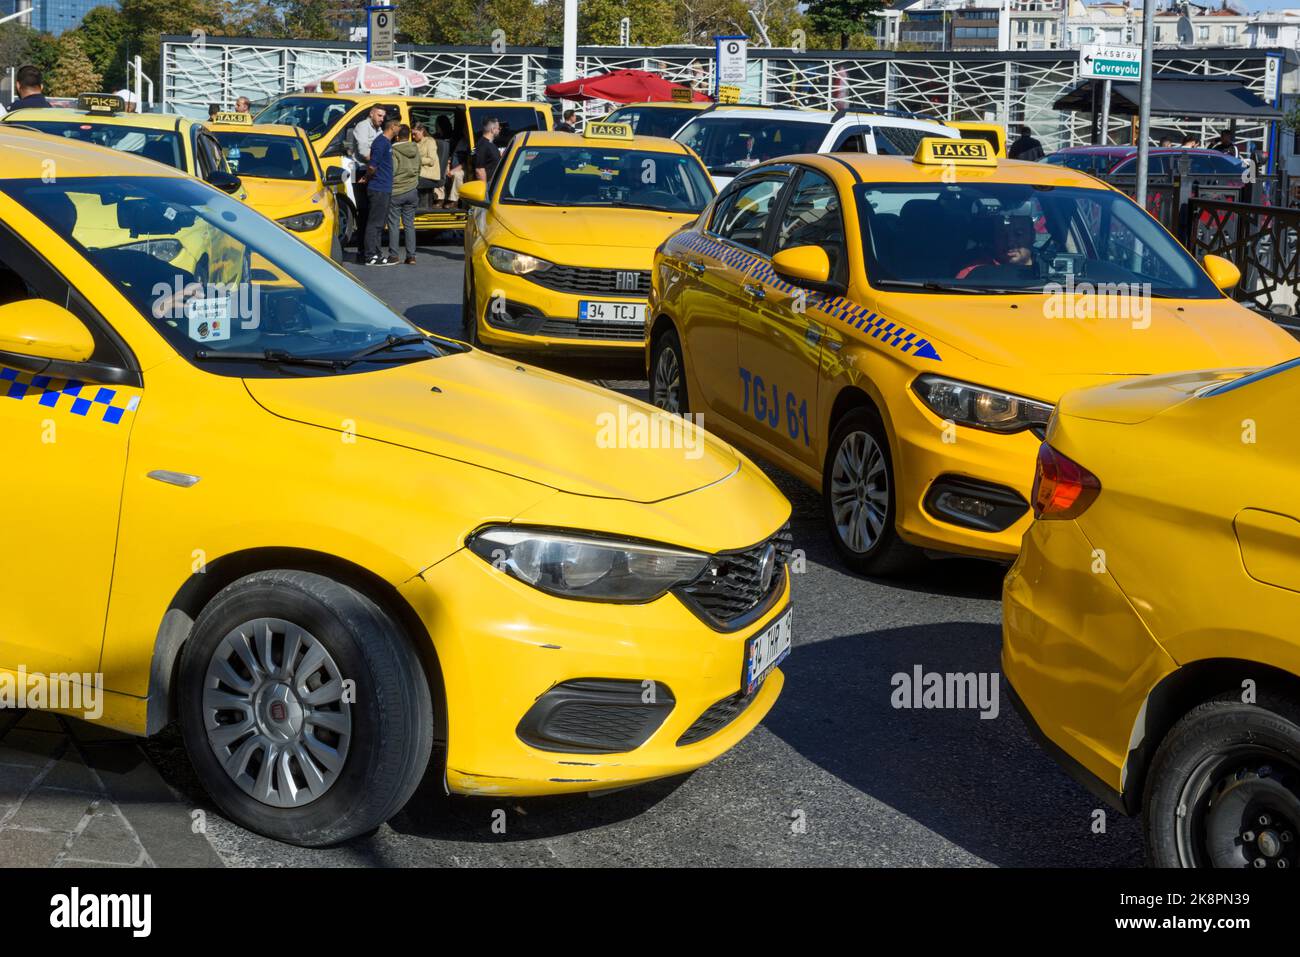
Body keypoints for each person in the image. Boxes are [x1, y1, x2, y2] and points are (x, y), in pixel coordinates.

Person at [350, 106, 388, 262]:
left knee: (373, 214)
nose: (382, 119)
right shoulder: (362, 126)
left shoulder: (378, 129)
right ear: (371, 113)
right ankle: (363, 251)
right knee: (364, 213)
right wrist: (378, 161)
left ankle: (369, 250)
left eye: (383, 116)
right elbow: (364, 150)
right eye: (379, 115)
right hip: (361, 171)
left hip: (372, 171)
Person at [362, 118, 399, 266]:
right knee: (374, 223)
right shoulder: (381, 142)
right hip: (378, 188)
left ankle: (376, 253)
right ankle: (370, 256)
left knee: (379, 224)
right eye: (399, 126)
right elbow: (372, 165)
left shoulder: (386, 143)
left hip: (384, 187)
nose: (400, 129)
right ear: (393, 127)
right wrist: (368, 177)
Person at [957, 216, 1036, 278]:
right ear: (994, 238)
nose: (1010, 242)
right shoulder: (973, 273)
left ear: (1032, 236)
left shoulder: (1047, 272)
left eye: (1018, 234)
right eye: (1002, 235)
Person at [388, 124, 421, 265]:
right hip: (412, 190)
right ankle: (411, 256)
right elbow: (419, 167)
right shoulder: (415, 148)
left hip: (396, 191)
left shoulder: (393, 150)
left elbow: (393, 170)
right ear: (408, 135)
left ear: (396, 136)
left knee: (394, 224)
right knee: (409, 225)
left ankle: (394, 256)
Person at [411, 123, 443, 210]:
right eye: (412, 134)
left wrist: (416, 160)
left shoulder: (430, 141)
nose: (413, 136)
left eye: (415, 134)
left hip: (429, 171)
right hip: (420, 169)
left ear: (422, 131)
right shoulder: (415, 143)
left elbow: (431, 161)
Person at [436, 116, 461, 208]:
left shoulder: (454, 139)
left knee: (452, 172)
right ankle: (439, 198)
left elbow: (457, 156)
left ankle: (453, 201)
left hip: (454, 164)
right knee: (439, 168)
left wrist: (449, 163)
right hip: (442, 162)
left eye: (437, 125)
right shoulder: (437, 136)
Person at [473, 118, 502, 182]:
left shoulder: (490, 144)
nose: (500, 130)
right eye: (499, 128)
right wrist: (485, 189)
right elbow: (479, 170)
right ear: (493, 130)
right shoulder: (481, 145)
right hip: (488, 185)